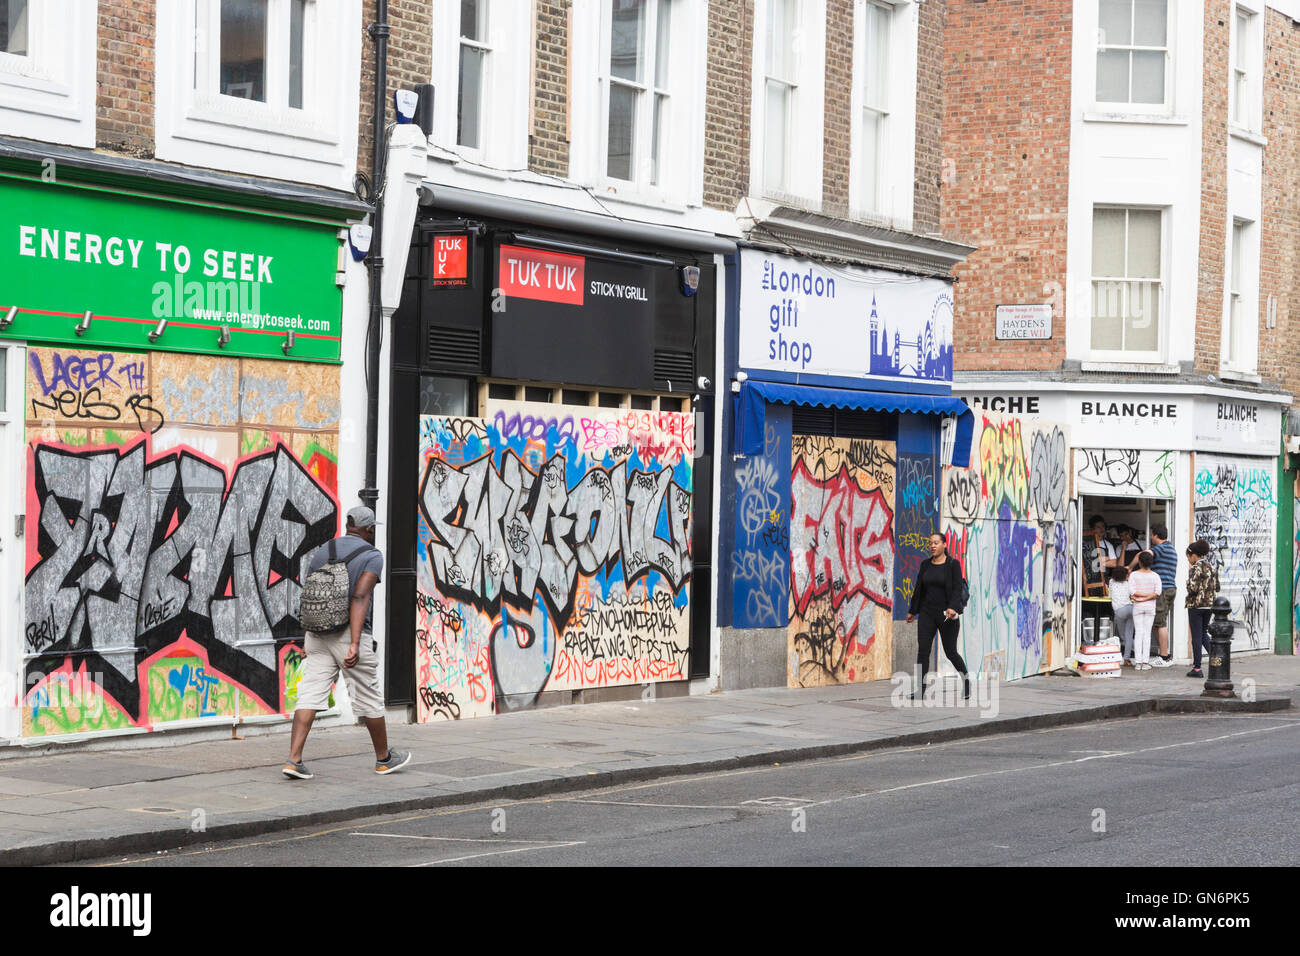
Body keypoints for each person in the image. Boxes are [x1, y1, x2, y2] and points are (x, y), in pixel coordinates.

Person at [283, 505, 411, 779]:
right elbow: (360, 596)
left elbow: (310, 593)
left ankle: (294, 760)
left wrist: (307, 637)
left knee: (310, 694)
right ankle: (384, 759)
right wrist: (354, 642)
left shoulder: (324, 551)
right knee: (369, 697)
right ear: (368, 529)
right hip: (348, 634)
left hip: (317, 634)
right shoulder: (372, 555)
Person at [906, 533, 971, 700]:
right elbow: (919, 589)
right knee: (923, 651)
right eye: (930, 543)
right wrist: (912, 611)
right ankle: (920, 690)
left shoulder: (952, 564)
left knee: (950, 652)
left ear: (944, 545)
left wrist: (952, 607)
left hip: (946, 615)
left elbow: (957, 588)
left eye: (936, 543)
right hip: (927, 613)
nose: (932, 546)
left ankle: (966, 682)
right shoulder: (926, 564)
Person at [1184, 540, 1218, 678]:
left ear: (1193, 555)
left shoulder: (1194, 568)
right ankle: (1217, 659)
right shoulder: (1212, 567)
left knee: (1196, 637)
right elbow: (1218, 587)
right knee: (1204, 633)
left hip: (1196, 606)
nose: (1188, 560)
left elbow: (1193, 589)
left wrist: (1187, 583)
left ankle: (1197, 668)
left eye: (1188, 557)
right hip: (1209, 605)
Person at [1147, 524, 1177, 666]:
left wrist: (1129, 567)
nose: (1151, 538)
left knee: (1160, 623)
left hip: (1163, 589)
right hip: (1169, 588)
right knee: (1157, 623)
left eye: (1151, 535)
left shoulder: (1160, 548)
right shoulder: (1171, 548)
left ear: (1156, 535)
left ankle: (1164, 656)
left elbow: (1146, 555)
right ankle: (1164, 653)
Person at [1128, 551, 1162, 671]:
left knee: (1138, 633)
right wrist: (1148, 597)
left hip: (1137, 606)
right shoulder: (1155, 576)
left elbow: (1132, 591)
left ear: (1140, 562)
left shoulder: (1133, 575)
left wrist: (1141, 598)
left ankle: (1138, 662)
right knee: (1147, 634)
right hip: (1150, 607)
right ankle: (1145, 661)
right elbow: (1157, 592)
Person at [1108, 565, 1135, 666]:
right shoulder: (1127, 584)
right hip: (1130, 608)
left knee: (1123, 636)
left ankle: (1138, 649)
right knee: (1129, 635)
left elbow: (1110, 596)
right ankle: (1127, 658)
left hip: (1119, 611)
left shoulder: (1111, 582)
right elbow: (1132, 595)